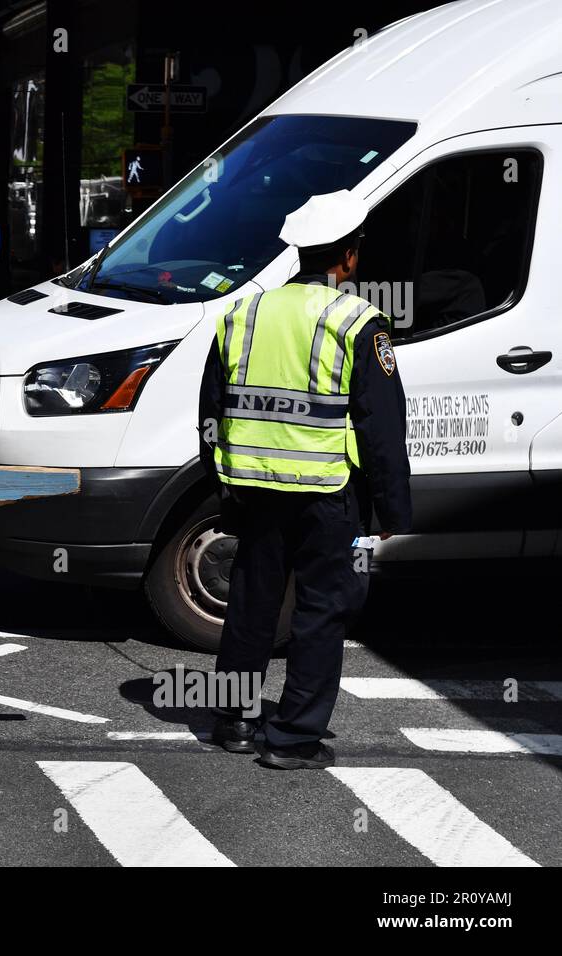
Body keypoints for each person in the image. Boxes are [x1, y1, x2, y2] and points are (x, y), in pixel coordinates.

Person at [197, 190, 411, 770]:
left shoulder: (241, 315)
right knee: (322, 608)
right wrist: (393, 511)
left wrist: (225, 484)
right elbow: (381, 426)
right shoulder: (358, 322)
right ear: (347, 256)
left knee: (251, 601)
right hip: (328, 494)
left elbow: (211, 412)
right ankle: (292, 739)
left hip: (254, 488)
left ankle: (236, 721)